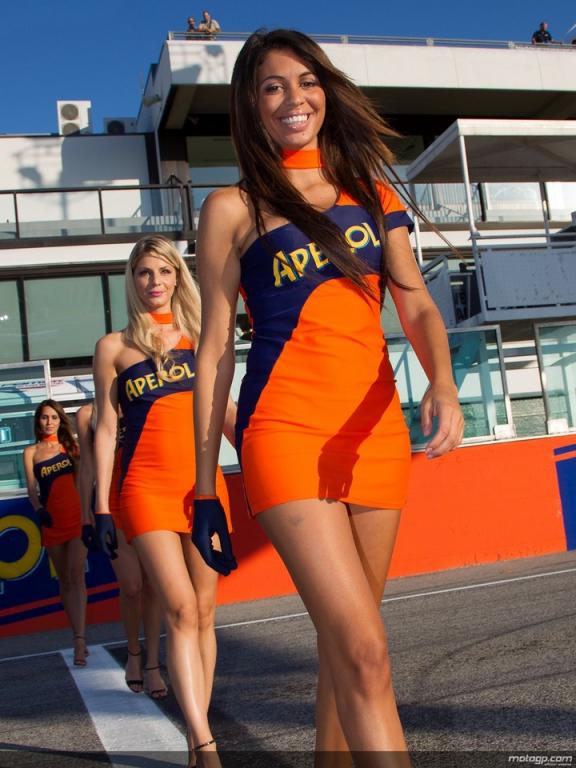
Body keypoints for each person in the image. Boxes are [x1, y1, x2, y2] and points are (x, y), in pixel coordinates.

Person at [193, 29, 464, 766]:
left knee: (346, 651)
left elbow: (416, 304)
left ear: (326, 89)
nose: (293, 98)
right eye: (272, 86)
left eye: (306, 81)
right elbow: (214, 348)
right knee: (367, 652)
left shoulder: (373, 193)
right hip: (283, 430)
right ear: (251, 106)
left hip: (374, 430)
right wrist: (203, 485)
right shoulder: (232, 207)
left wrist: (441, 378)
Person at [92, 235, 236, 767]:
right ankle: (202, 739)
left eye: (163, 272)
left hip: (202, 487)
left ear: (179, 277)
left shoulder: (203, 337)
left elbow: (226, 414)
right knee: (177, 607)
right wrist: (100, 507)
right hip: (145, 490)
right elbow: (107, 431)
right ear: (132, 282)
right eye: (143, 273)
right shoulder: (114, 348)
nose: (154, 282)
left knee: (203, 610)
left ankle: (199, 730)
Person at [76, 402, 167, 699]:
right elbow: (87, 465)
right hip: (112, 504)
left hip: (147, 494)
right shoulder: (88, 414)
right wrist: (86, 516)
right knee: (132, 586)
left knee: (153, 586)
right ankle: (133, 653)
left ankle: (152, 663)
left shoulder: (140, 394)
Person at [23, 399, 89, 666]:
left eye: (53, 417)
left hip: (77, 519)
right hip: (51, 521)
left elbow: (86, 479)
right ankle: (77, 633)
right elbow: (31, 489)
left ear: (61, 420)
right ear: (38, 421)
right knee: (65, 581)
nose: (49, 422)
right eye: (44, 417)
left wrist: (90, 512)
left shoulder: (71, 447)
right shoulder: (30, 452)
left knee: (76, 575)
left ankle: (80, 641)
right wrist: (39, 508)